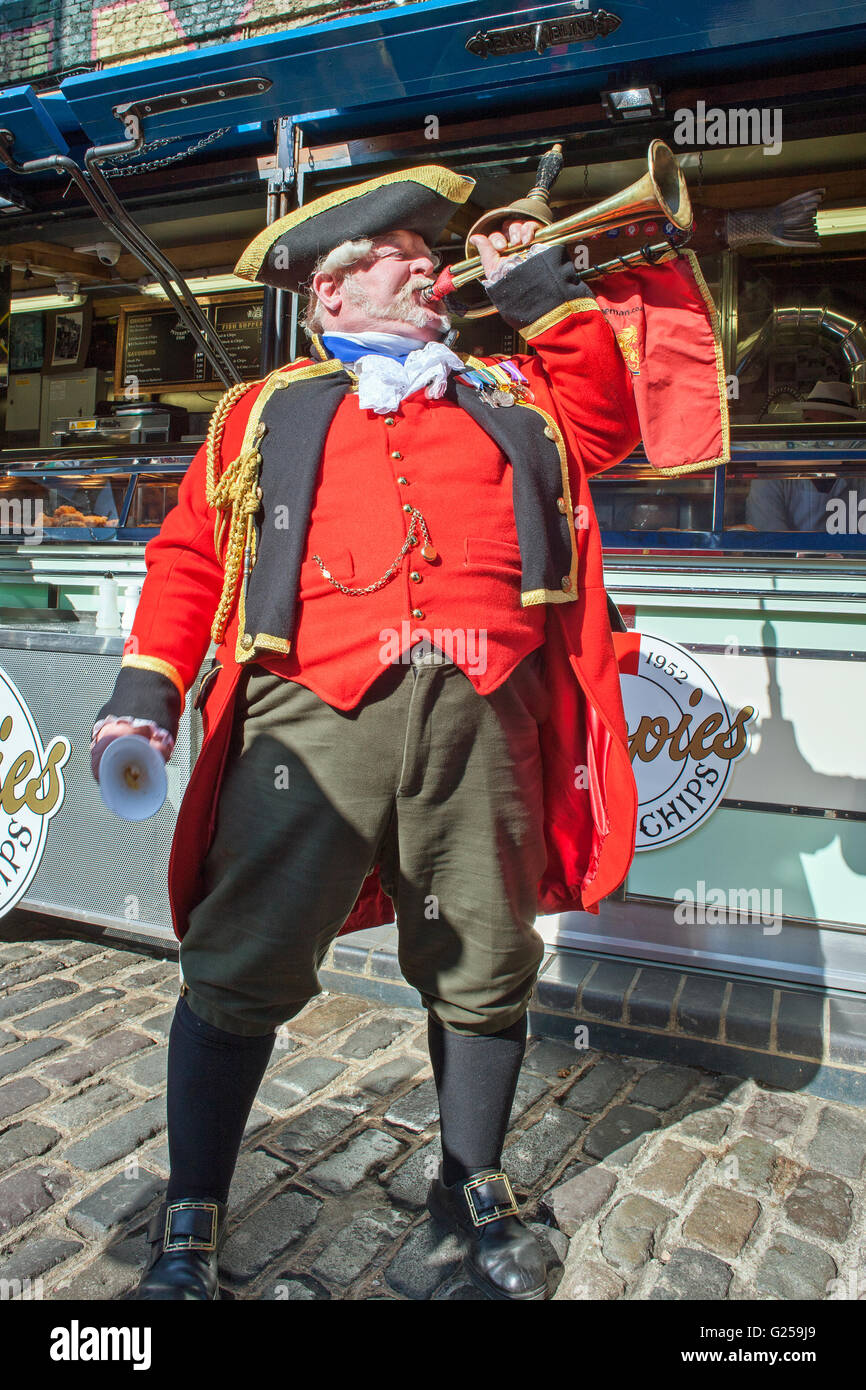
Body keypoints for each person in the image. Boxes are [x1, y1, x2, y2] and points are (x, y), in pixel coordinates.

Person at [90, 163, 727, 1301]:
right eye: (403, 258)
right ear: (331, 294)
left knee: (485, 957)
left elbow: (610, 426)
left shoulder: (507, 390)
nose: (434, 271)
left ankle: (468, 1179)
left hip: (487, 715)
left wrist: (534, 288)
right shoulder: (264, 409)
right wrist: (145, 688)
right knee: (241, 963)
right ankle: (193, 1205)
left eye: (434, 259)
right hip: (310, 721)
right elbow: (190, 555)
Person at [746, 380, 866, 531]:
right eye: (808, 421)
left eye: (833, 426)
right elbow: (768, 537)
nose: (812, 431)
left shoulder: (860, 473)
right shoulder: (772, 473)